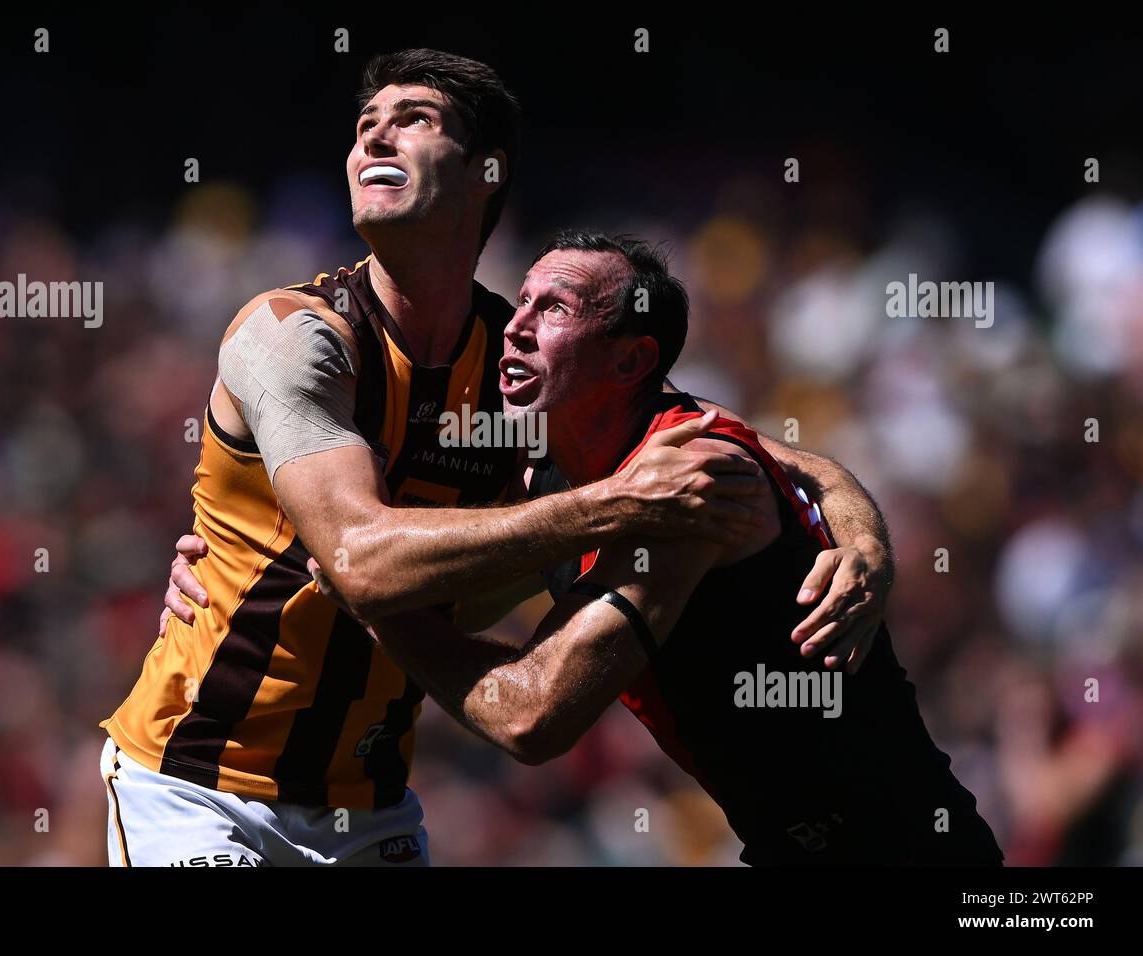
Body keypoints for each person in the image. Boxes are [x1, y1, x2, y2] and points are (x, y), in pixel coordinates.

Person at [113, 49, 894, 868]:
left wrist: (865, 543)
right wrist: (618, 504)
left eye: (413, 119)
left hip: (368, 810)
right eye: (363, 126)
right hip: (198, 786)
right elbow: (358, 562)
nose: (376, 137)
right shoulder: (295, 336)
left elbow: (762, 454)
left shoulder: (522, 362)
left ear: (489, 171)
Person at [322, 231, 1003, 865]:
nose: (516, 328)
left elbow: (530, 717)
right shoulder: (555, 464)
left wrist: (381, 605)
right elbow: (809, 464)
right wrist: (865, 540)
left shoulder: (691, 478)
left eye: (554, 309)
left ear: (631, 360)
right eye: (522, 301)